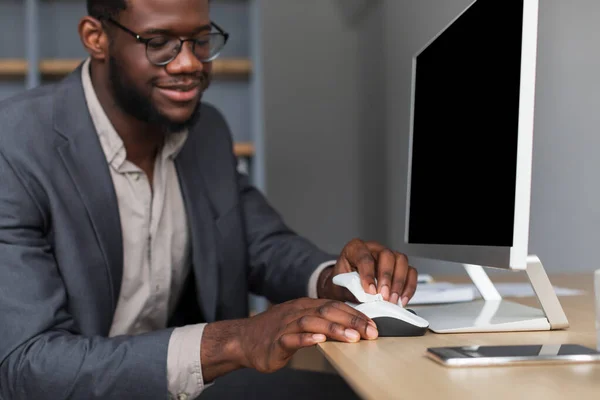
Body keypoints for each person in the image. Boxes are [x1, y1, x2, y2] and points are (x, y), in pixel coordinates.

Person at [0, 0, 418, 399]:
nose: (189, 64)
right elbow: (29, 366)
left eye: (201, 40)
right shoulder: (15, 146)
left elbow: (262, 245)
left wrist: (338, 281)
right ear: (96, 38)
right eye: (158, 43)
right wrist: (234, 340)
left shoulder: (207, 132)